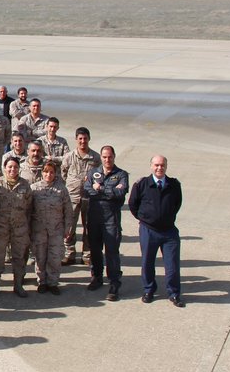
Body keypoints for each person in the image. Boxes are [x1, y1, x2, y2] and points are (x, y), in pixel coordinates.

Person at [128, 155, 184, 307]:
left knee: (172, 264)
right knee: (147, 262)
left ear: (166, 166)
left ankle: (173, 293)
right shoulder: (142, 184)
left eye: (162, 165)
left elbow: (177, 203)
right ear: (151, 166)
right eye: (156, 165)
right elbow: (133, 204)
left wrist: (166, 217)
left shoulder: (174, 185)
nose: (159, 168)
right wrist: (145, 218)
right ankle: (149, 290)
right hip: (149, 230)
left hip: (169, 232)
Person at [84, 146, 129, 301]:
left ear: (114, 156)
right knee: (95, 250)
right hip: (94, 218)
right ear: (101, 157)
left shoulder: (121, 175)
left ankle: (114, 283)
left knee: (112, 252)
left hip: (111, 220)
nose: (107, 159)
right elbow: (87, 190)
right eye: (104, 157)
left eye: (109, 157)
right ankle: (97, 277)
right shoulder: (93, 173)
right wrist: (109, 191)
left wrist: (101, 189)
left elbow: (120, 194)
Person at [0, 158, 32, 299]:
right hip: (0, 228)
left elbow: (29, 206)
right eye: (10, 167)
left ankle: (18, 285)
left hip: (19, 228)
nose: (12, 170)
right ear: (5, 168)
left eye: (15, 167)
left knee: (18, 258)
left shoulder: (25, 185)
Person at [30, 161, 74, 295]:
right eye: (46, 172)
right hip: (39, 229)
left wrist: (68, 227)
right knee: (40, 256)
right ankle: (42, 281)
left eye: (51, 172)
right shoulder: (34, 189)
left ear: (55, 174)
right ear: (42, 173)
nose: (48, 174)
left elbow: (68, 210)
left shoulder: (61, 189)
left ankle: (53, 282)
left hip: (56, 229)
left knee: (55, 257)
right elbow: (28, 210)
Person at [60, 127, 101, 266]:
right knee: (69, 226)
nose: (83, 141)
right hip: (72, 196)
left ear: (89, 139)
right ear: (76, 140)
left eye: (85, 138)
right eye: (80, 139)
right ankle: (69, 253)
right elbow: (63, 174)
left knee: (88, 226)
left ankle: (87, 255)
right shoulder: (69, 156)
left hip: (89, 197)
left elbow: (100, 175)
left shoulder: (95, 157)